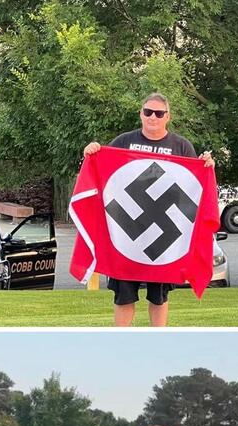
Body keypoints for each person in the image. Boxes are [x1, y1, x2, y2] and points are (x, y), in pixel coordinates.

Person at [83, 92, 215, 328]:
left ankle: (159, 336)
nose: (153, 117)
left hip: (164, 237)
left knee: (159, 296)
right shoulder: (123, 142)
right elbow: (103, 176)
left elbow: (193, 187)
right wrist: (93, 152)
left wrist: (206, 165)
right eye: (148, 112)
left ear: (168, 117)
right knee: (123, 295)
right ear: (140, 114)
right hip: (127, 232)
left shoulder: (182, 146)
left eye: (159, 113)